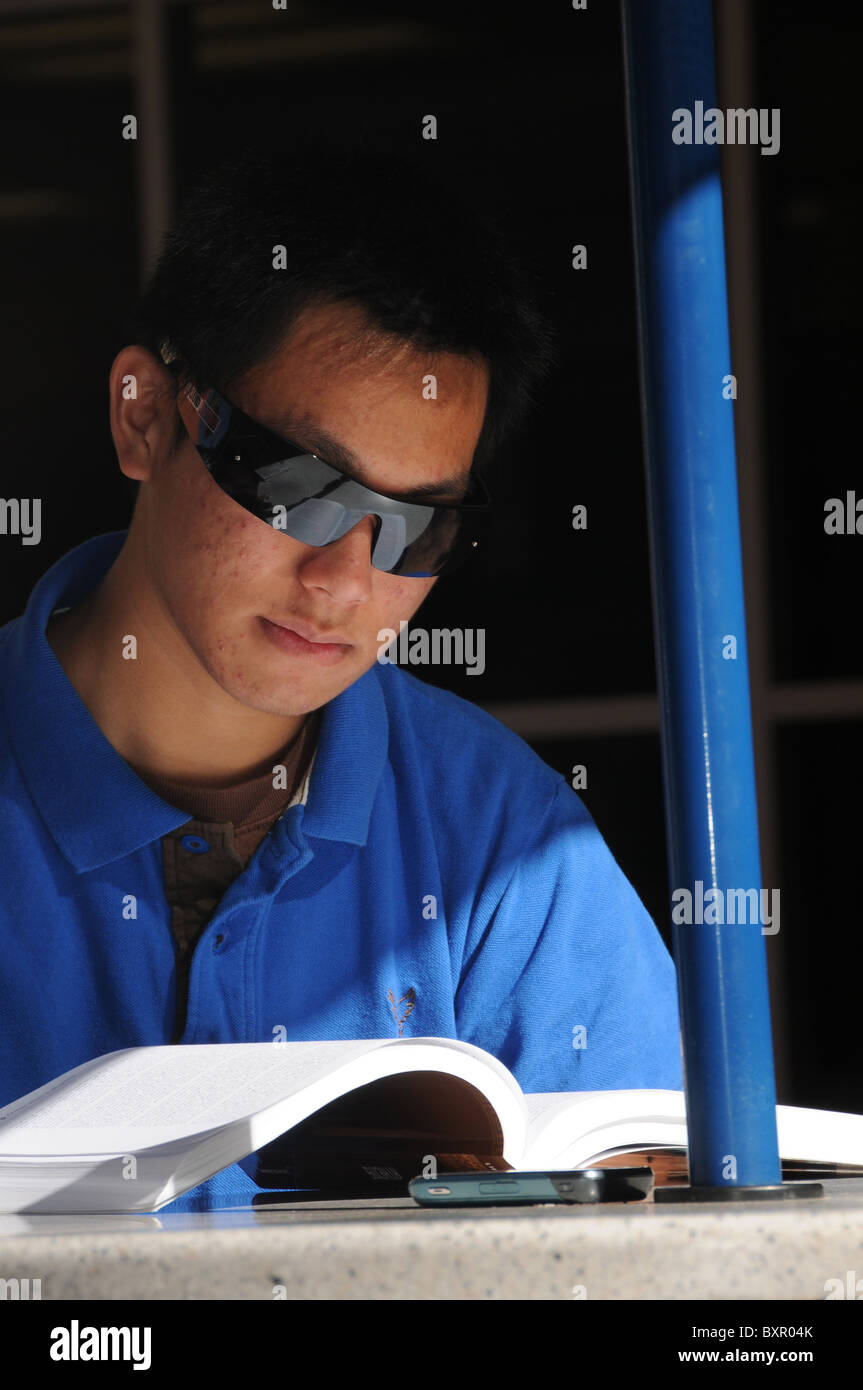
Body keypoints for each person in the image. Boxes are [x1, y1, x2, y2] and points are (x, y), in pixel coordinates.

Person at [0, 142, 682, 1208]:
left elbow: (668, 1266)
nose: (343, 580)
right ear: (145, 414)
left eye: (418, 525)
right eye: (295, 485)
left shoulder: (504, 845)